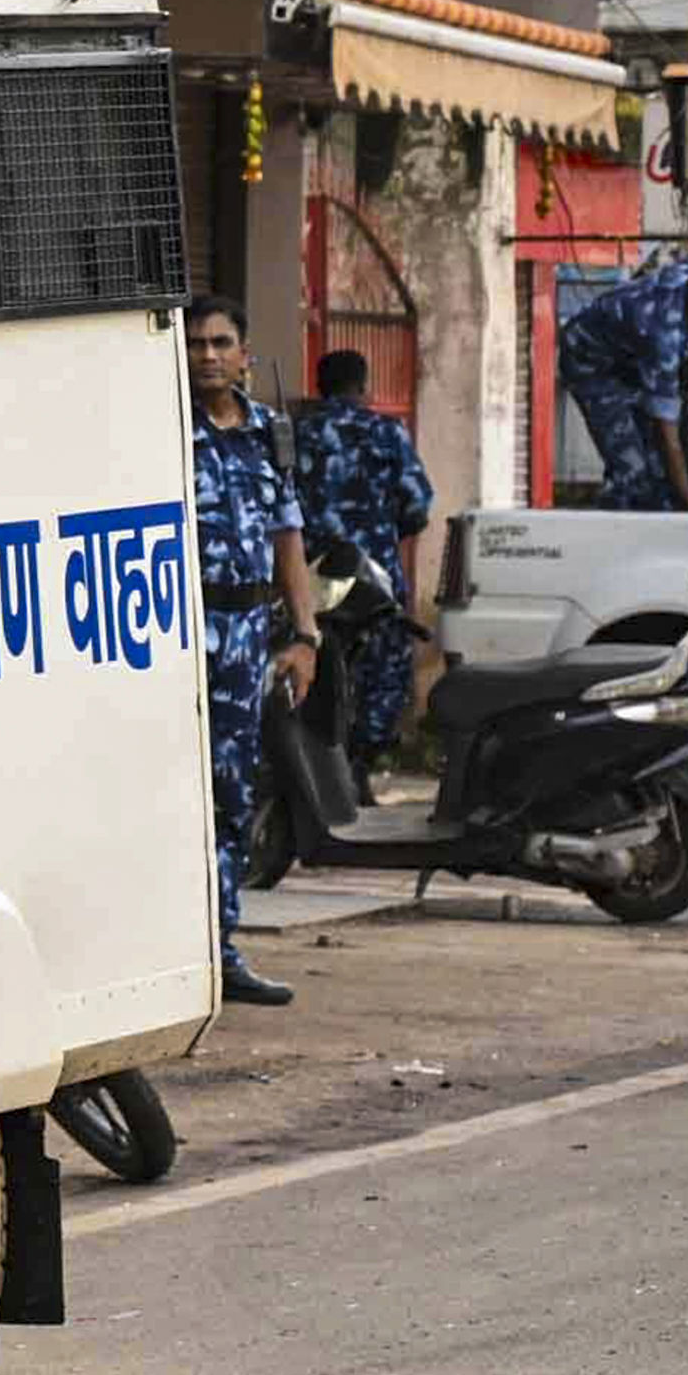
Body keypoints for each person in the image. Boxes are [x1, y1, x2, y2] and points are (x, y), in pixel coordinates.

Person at [187, 297, 319, 1006]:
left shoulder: (270, 434)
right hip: (175, 632)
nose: (207, 355)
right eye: (196, 344)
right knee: (173, 794)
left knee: (233, 791)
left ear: (245, 353)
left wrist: (305, 635)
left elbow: (287, 536)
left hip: (244, 636)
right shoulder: (167, 428)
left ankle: (220, 946)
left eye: (220, 342)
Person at [296, 349, 433, 794]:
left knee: (319, 666)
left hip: (312, 577)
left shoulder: (300, 433)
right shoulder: (387, 432)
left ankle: (320, 768)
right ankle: (361, 761)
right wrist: (384, 530)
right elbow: (417, 504)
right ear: (363, 385)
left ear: (320, 386)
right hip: (374, 577)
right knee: (383, 668)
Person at [558, 253, 688, 511]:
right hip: (590, 363)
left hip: (628, 361)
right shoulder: (662, 338)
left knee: (659, 471)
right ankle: (610, 531)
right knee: (633, 470)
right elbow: (666, 433)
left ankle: (656, 516)